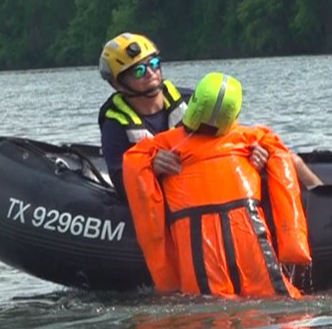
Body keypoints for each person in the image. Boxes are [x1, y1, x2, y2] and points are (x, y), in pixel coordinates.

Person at [123, 72, 312, 298]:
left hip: (203, 256)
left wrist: (262, 163)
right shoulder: (254, 139)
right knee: (280, 302)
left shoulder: (156, 148)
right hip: (249, 246)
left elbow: (134, 168)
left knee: (207, 313)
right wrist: (155, 166)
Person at [97, 32, 321, 200]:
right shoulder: (115, 123)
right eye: (139, 70)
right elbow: (121, 183)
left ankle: (325, 200)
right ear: (118, 83)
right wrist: (150, 168)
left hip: (212, 174)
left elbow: (229, 136)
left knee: (289, 159)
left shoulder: (189, 99)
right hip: (174, 195)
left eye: (154, 64)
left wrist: (255, 154)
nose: (151, 73)